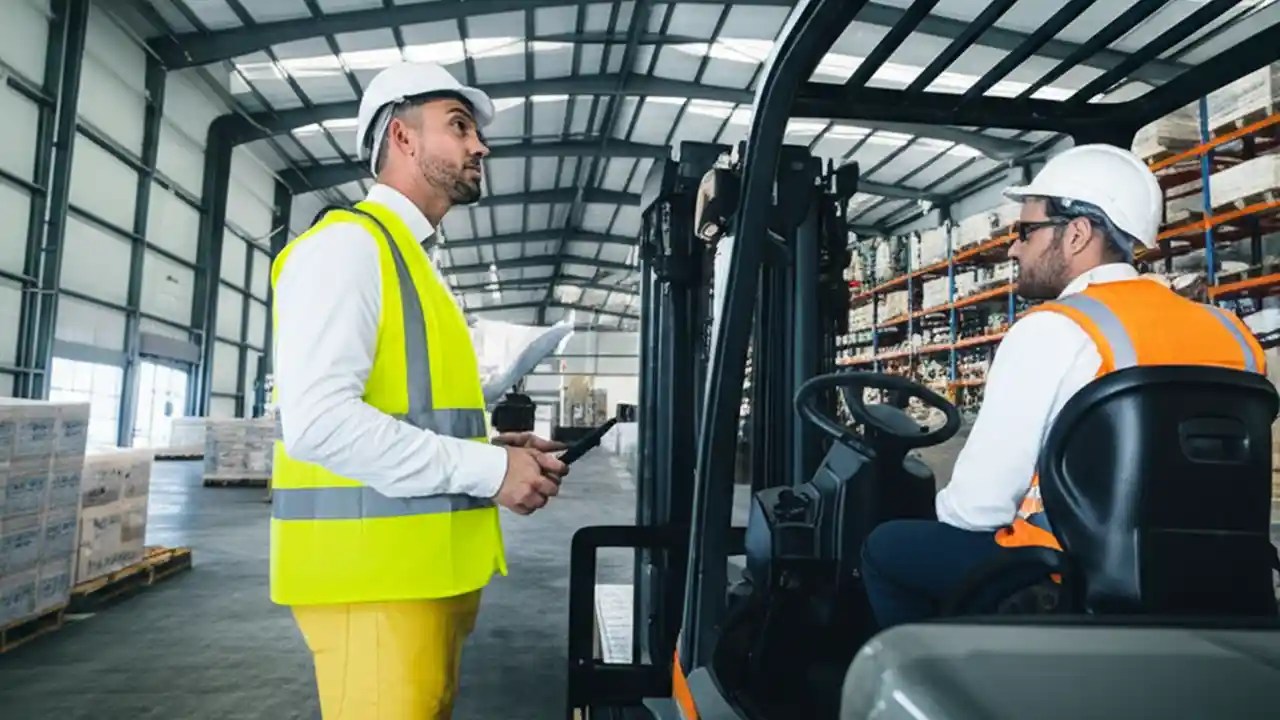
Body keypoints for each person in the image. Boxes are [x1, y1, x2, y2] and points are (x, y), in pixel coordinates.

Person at [269, 61, 570, 719]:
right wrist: (489, 469)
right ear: (402, 139)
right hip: (372, 585)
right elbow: (318, 422)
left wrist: (494, 446)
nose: (479, 145)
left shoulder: (415, 265)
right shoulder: (348, 248)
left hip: (420, 582)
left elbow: (404, 410)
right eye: (458, 126)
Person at [859, 144, 1266, 629]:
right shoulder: (1231, 332)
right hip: (1222, 578)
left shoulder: (1053, 328)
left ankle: (942, 684)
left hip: (1071, 578)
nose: (1013, 247)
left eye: (1026, 231)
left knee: (885, 548)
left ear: (1076, 234)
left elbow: (976, 509)